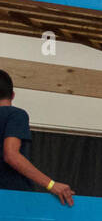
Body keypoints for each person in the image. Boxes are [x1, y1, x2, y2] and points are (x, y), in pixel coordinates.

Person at [0, 69, 74, 205]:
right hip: (11, 198)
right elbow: (11, 155)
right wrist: (52, 185)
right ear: (13, 95)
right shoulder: (15, 115)